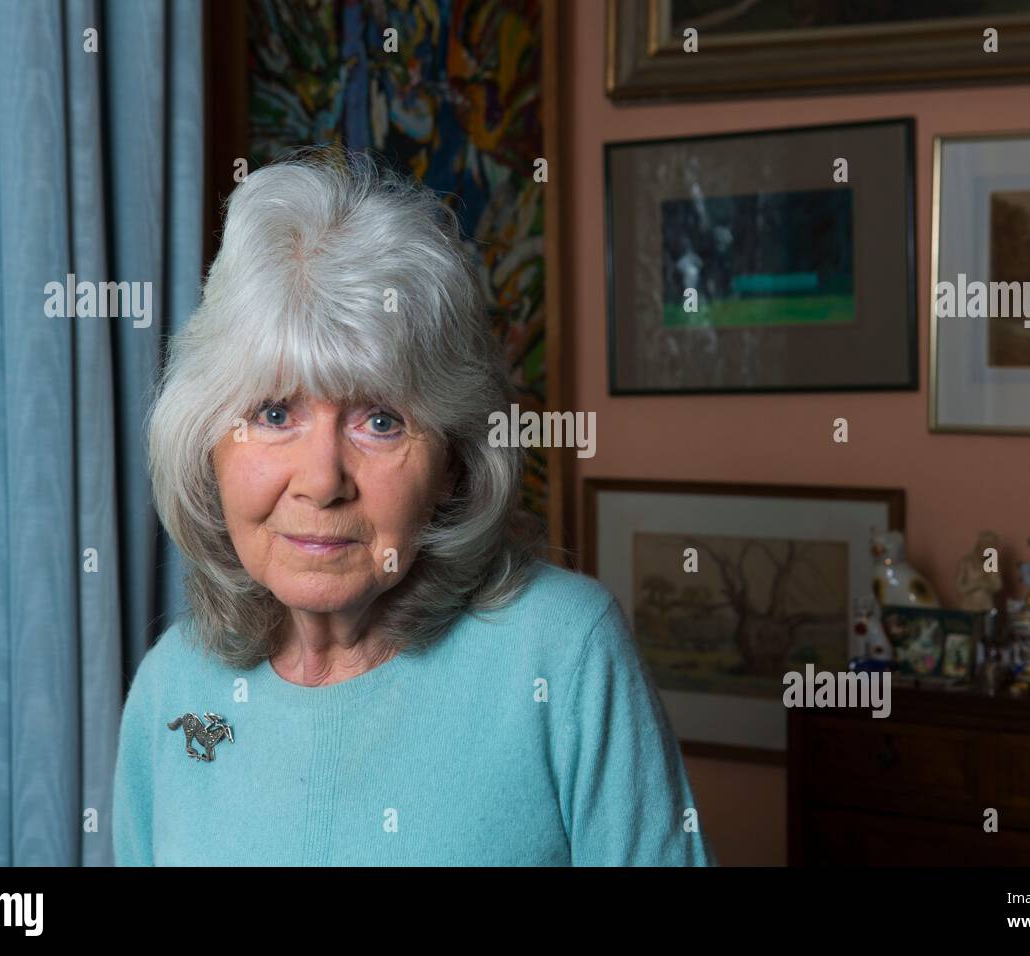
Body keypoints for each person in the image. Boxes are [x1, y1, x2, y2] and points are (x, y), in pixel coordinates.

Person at [111, 148, 715, 866]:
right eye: (274, 413)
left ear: (453, 461)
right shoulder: (172, 688)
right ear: (206, 442)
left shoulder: (564, 653)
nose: (322, 481)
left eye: (381, 421)